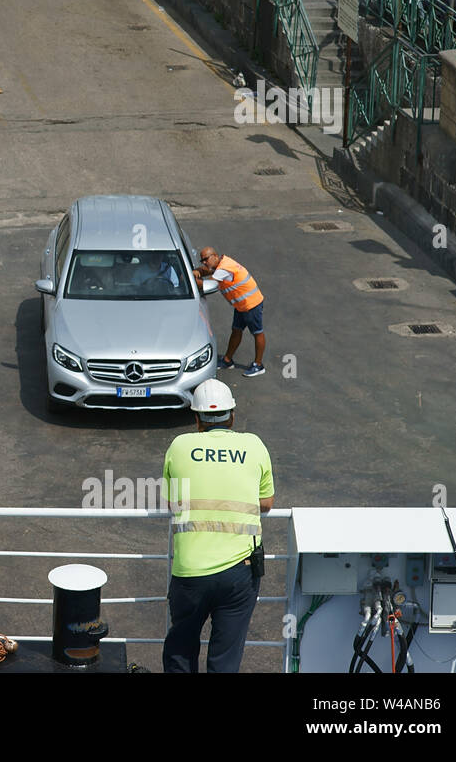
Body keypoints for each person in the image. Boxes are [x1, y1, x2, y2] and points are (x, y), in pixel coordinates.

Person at [162, 379, 274, 673]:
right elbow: (266, 502)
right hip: (240, 571)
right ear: (232, 416)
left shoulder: (180, 446)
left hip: (190, 574)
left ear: (196, 419)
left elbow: (173, 504)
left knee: (181, 651)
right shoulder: (254, 445)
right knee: (225, 658)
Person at [194, 246, 265, 376]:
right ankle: (227, 360)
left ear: (215, 256)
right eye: (202, 260)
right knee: (236, 330)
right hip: (241, 305)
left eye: (206, 259)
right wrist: (198, 271)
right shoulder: (222, 262)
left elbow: (207, 283)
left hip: (251, 304)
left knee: (257, 333)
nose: (204, 262)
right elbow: (207, 270)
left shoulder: (224, 268)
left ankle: (258, 365)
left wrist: (190, 278)